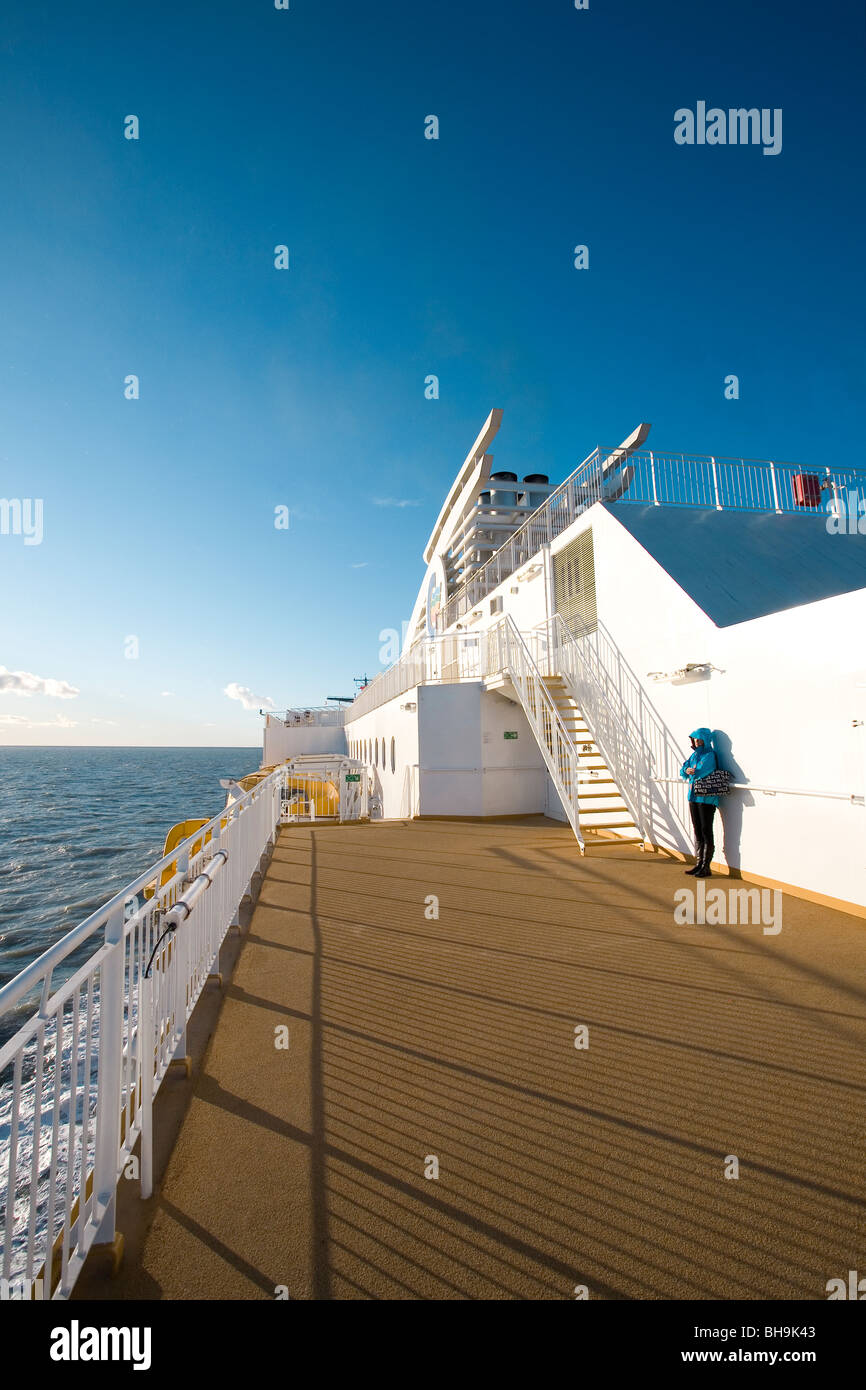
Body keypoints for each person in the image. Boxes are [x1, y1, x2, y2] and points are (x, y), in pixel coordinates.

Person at [679, 727, 721, 877]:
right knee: (697, 830)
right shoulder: (694, 755)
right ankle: (698, 863)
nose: (696, 742)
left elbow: (702, 770)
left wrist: (690, 770)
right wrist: (687, 770)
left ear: (705, 740)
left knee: (705, 830)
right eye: (695, 740)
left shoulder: (710, 754)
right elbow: (683, 769)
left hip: (706, 798)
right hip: (693, 796)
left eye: (699, 739)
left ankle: (706, 866)